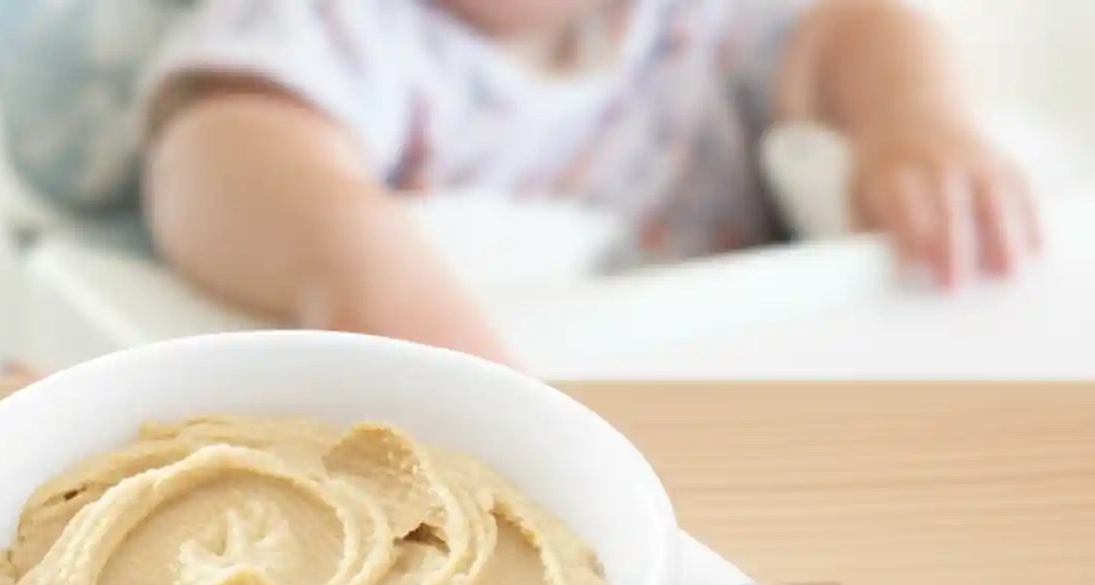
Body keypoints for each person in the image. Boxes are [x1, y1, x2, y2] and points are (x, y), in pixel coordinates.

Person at [142, 0, 1041, 363]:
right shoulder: (336, 25)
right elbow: (219, 148)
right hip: (521, 398)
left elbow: (849, 24)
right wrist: (359, 267)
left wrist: (912, 118)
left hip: (756, 379)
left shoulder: (684, 17)